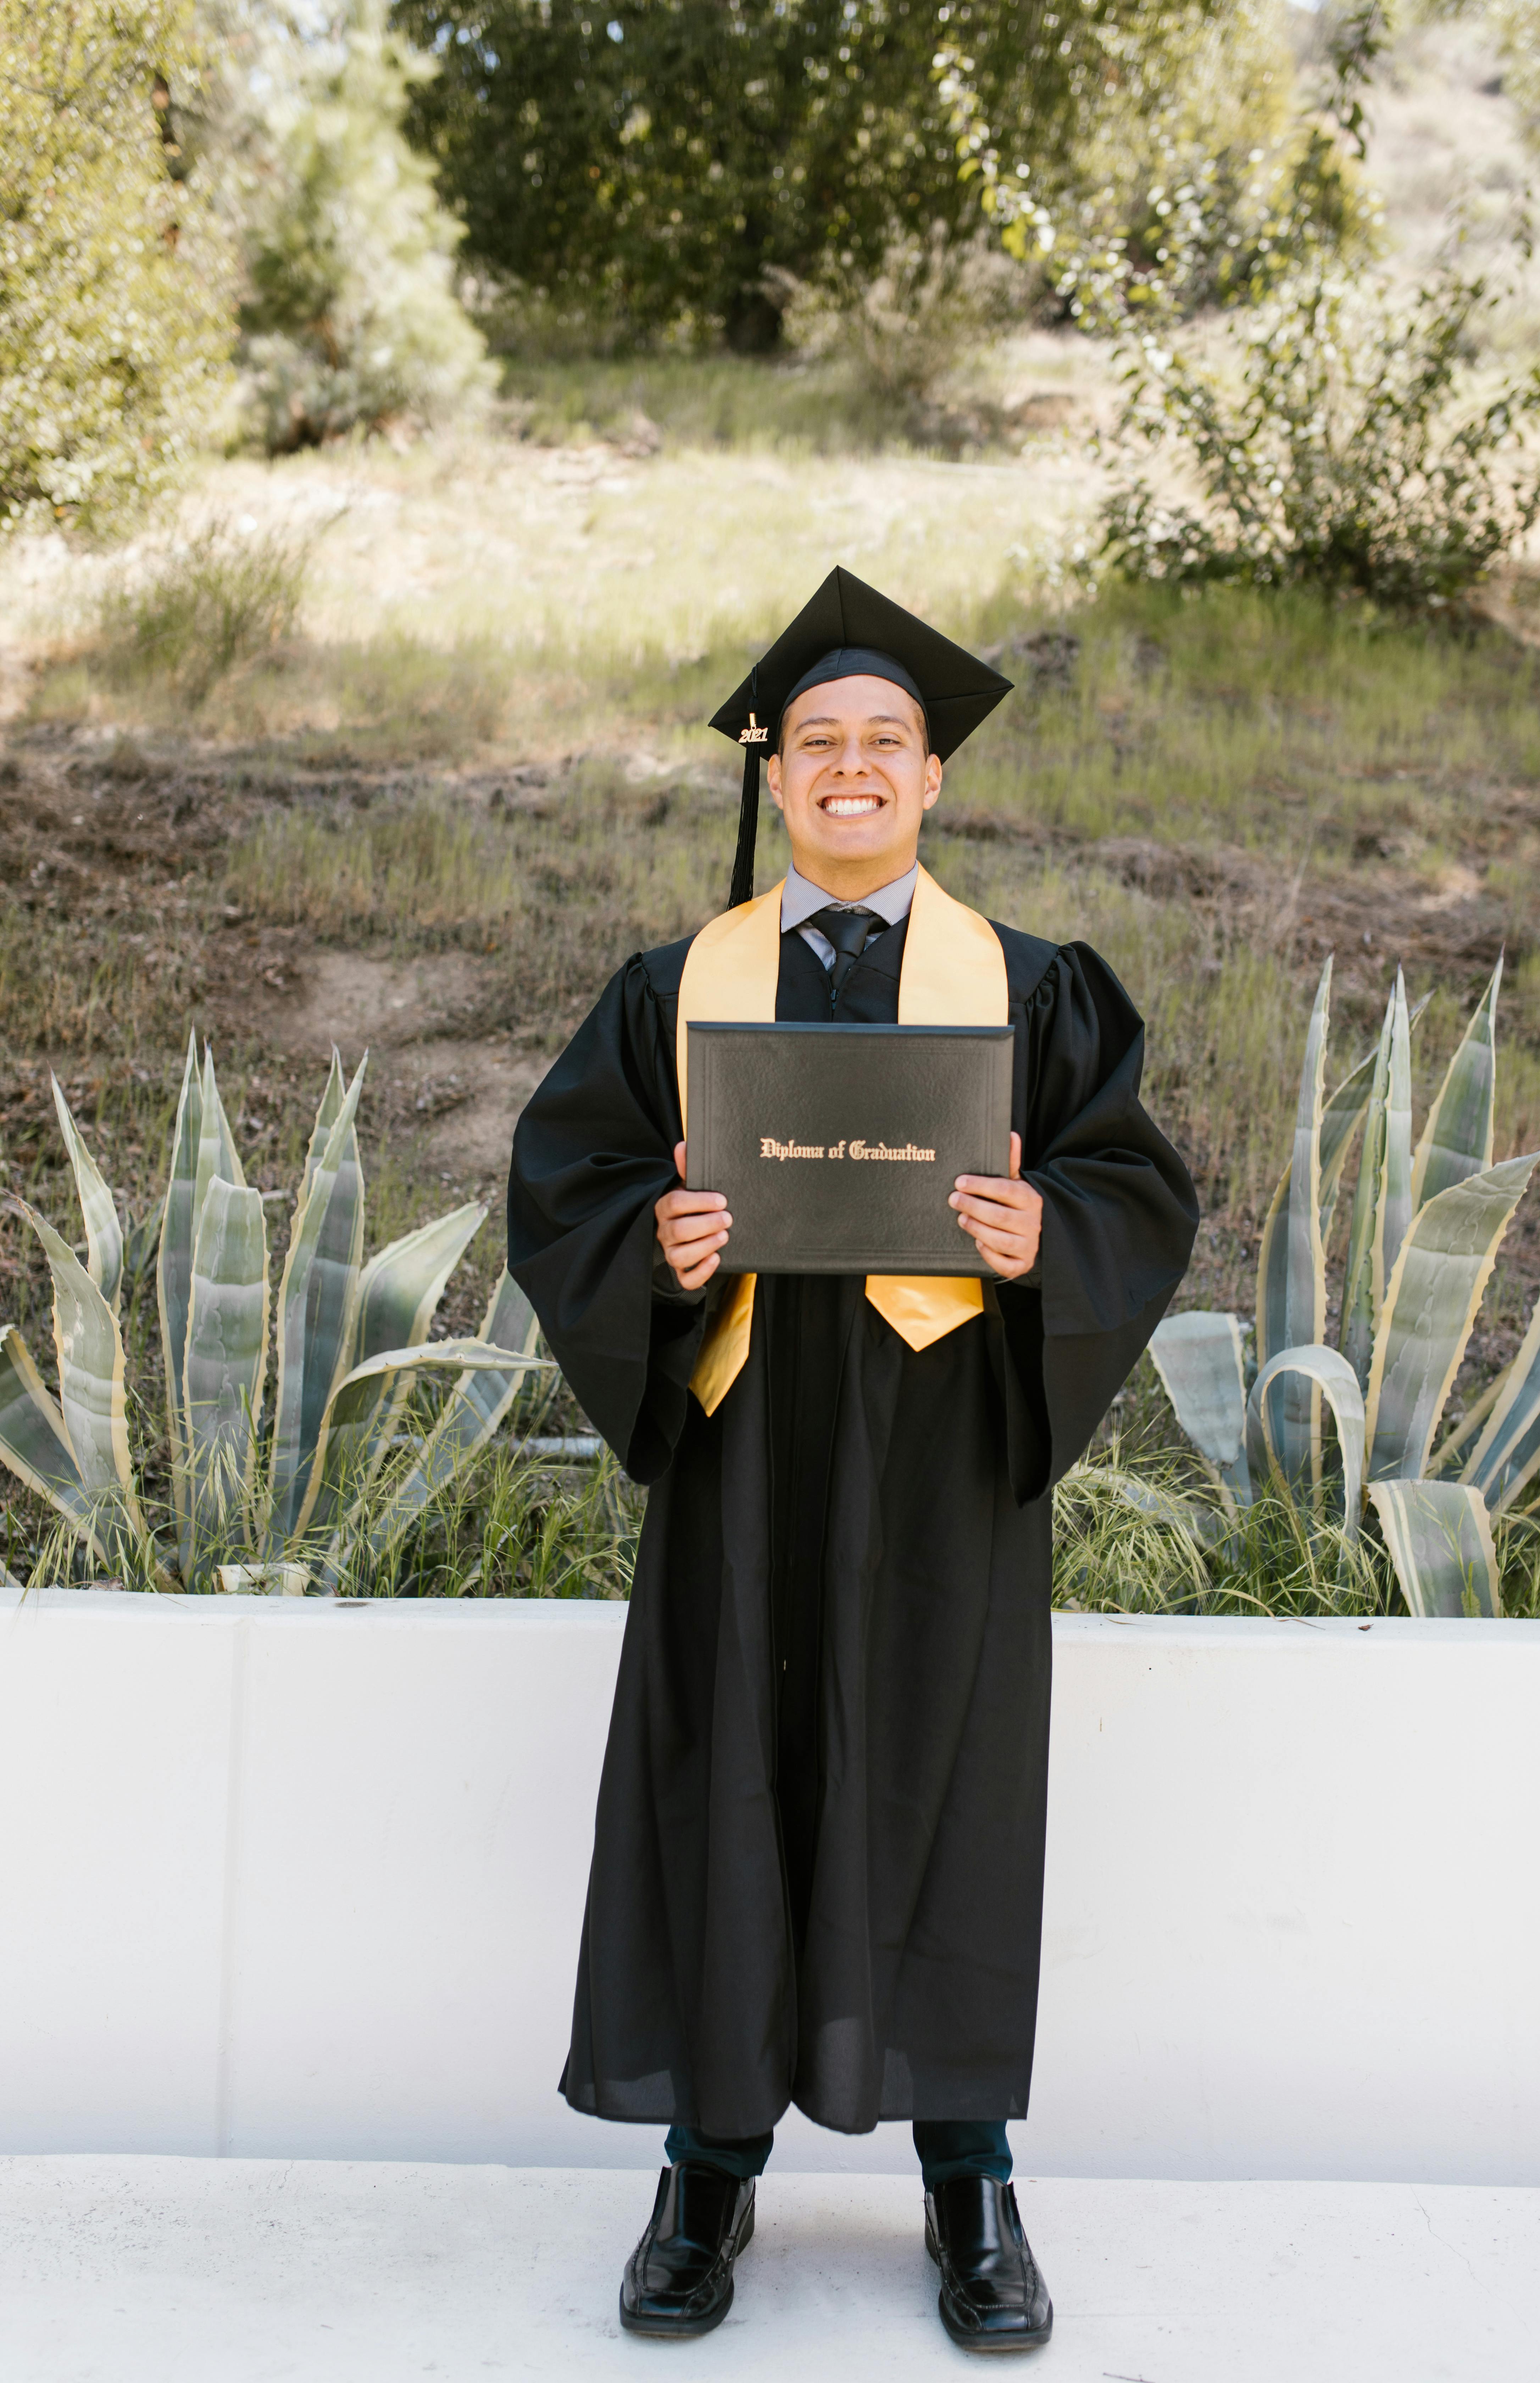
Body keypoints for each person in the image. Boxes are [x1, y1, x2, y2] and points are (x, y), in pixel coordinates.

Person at [507, 567, 1198, 2351]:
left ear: (933, 780)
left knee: (942, 1784)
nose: (851, 769)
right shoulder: (673, 988)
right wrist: (647, 1250)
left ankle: (970, 2184)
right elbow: (565, 1186)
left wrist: (1044, 1233)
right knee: (725, 1773)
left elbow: (1135, 1187)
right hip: (743, 1448)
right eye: (817, 741)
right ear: (776, 770)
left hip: (941, 1459)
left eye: (885, 742)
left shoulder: (1034, 991)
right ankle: (704, 2173)